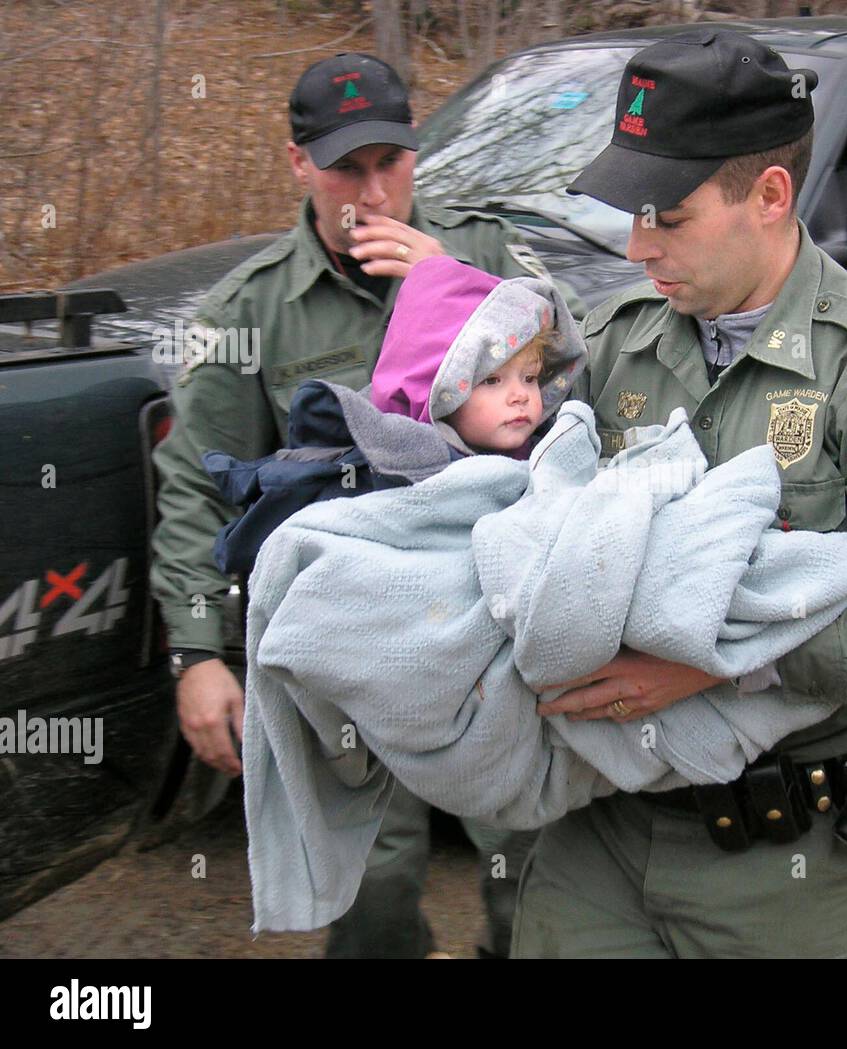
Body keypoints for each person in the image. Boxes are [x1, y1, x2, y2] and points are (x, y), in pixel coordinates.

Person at [507, 27, 847, 958]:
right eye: (630, 212)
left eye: (667, 214)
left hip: (787, 866)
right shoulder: (618, 338)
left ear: (771, 195)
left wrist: (734, 657)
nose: (636, 243)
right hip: (599, 833)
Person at [151, 52, 559, 958]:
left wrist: (453, 284)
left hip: (498, 622)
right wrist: (195, 652)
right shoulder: (249, 309)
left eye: (391, 161)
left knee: (533, 861)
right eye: (345, 168)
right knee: (370, 882)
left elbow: (581, 383)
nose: (374, 191)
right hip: (348, 638)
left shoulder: (485, 255)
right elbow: (192, 485)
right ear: (299, 165)